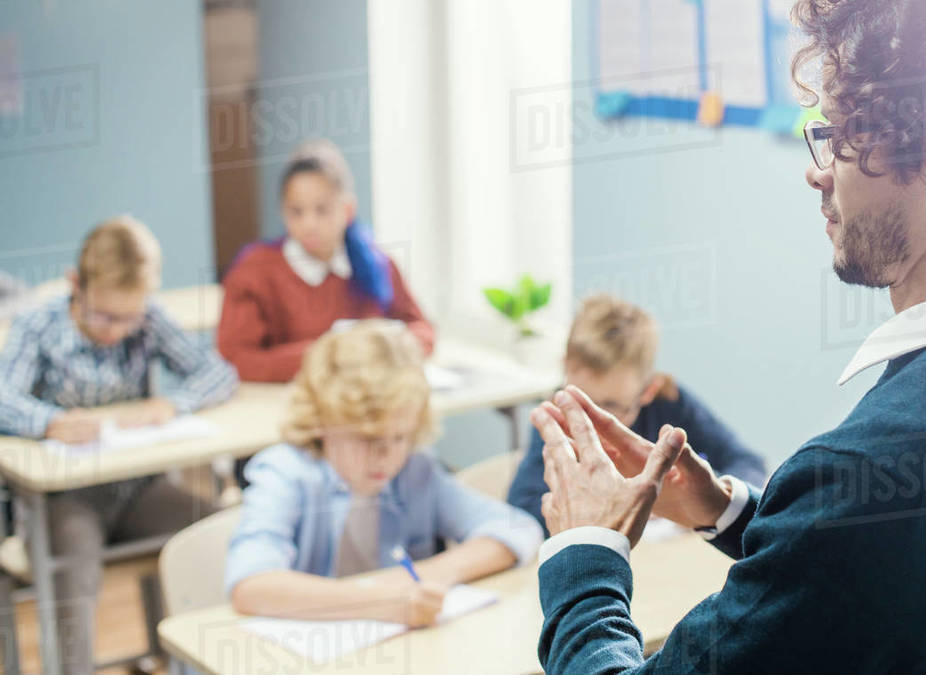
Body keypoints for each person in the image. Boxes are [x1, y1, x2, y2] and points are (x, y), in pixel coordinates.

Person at [529, 0, 926, 672]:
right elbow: (907, 579)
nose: (817, 169)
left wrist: (587, 548)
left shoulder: (869, 471)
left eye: (844, 135)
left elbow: (873, 527)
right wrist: (728, 512)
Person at [0, 216, 238, 673]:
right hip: (64, 500)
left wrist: (172, 404)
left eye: (129, 318)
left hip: (139, 490)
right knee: (70, 568)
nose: (116, 330)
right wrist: (49, 422)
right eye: (104, 316)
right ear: (76, 285)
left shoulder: (148, 320)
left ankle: (199, 661)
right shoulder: (37, 325)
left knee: (219, 532)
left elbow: (217, 373)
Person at [226, 320, 543, 624]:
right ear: (323, 421)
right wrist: (375, 601)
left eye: (400, 437)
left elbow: (518, 528)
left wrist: (427, 577)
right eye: (368, 439)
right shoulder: (285, 473)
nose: (386, 457)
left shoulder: (415, 469)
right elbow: (251, 584)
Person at [507, 294, 766, 535]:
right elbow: (523, 507)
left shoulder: (669, 402)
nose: (589, 421)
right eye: (580, 402)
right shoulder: (557, 418)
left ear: (648, 390)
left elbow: (747, 464)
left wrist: (695, 499)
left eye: (610, 406)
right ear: (565, 368)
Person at [217, 138, 435, 384]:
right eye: (296, 211)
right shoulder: (254, 271)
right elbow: (234, 359)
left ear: (348, 210)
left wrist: (383, 348)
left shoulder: (378, 263)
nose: (309, 224)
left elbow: (423, 329)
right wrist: (327, 355)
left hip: (369, 396)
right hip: (289, 401)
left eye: (322, 210)